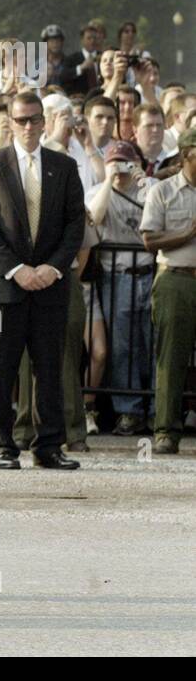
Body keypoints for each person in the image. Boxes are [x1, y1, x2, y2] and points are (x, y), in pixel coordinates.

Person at [0, 91, 85, 470]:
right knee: (0, 369)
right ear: (9, 121)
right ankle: (1, 445)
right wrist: (16, 269)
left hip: (50, 287)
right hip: (4, 289)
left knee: (49, 368)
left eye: (34, 119)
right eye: (20, 120)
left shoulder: (64, 166)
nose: (27, 126)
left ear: (44, 121)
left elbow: (75, 224)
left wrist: (52, 268)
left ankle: (49, 446)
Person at [88, 141, 155, 435]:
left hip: (150, 272)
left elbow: (159, 217)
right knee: (121, 347)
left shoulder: (150, 187)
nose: (120, 169)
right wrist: (107, 180)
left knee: (152, 344)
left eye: (124, 163)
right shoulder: (99, 189)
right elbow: (95, 216)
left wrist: (143, 182)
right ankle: (128, 410)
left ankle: (155, 408)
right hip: (117, 275)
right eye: (113, 162)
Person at [140, 128, 196, 454]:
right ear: (187, 154)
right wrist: (188, 233)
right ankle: (165, 432)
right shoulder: (163, 191)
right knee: (170, 356)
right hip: (175, 277)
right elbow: (149, 240)